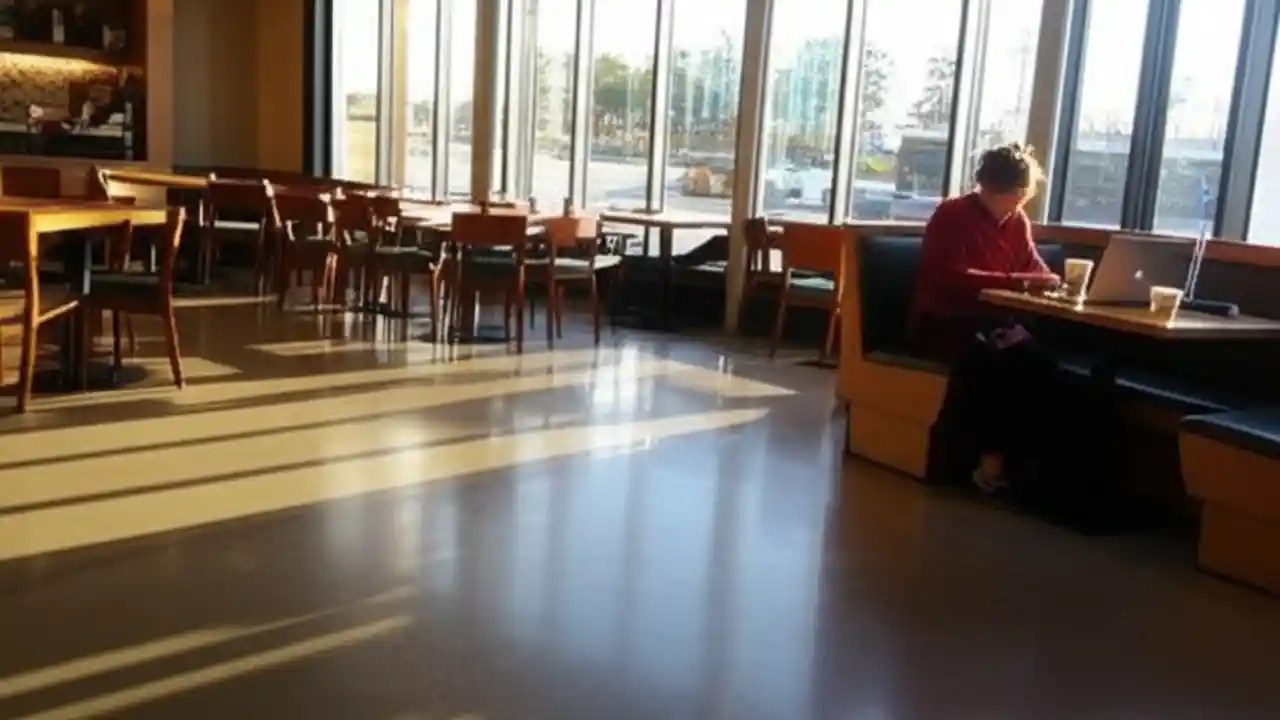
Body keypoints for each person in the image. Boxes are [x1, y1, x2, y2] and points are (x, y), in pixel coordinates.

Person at [910, 143, 1061, 492]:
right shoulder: (951, 215)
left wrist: (1051, 281)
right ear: (989, 187)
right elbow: (950, 279)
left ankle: (1025, 464)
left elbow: (1032, 266)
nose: (1016, 202)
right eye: (1012, 194)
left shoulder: (1016, 222)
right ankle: (987, 464)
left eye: (1020, 196)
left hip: (994, 322)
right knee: (989, 364)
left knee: (1039, 364)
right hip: (943, 321)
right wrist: (1019, 282)